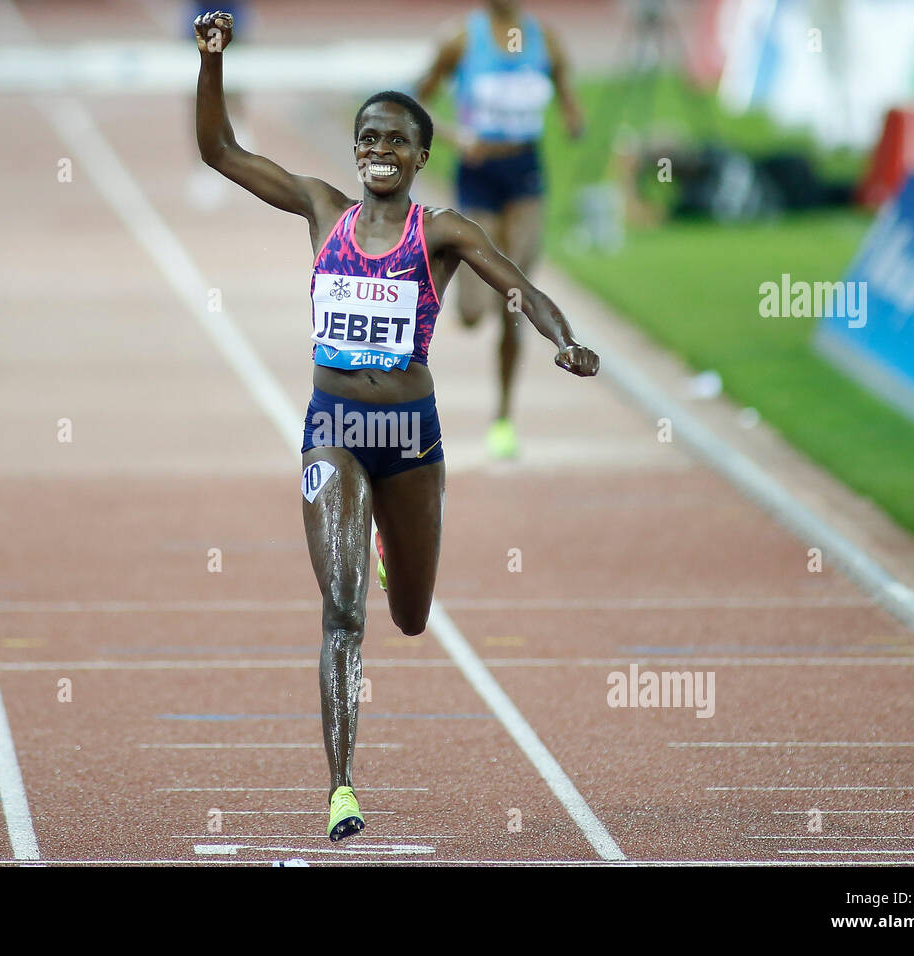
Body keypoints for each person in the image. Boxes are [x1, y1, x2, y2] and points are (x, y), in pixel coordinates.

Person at [193, 10, 598, 841]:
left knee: (410, 616)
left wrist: (566, 340)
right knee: (342, 614)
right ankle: (341, 789)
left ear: (420, 156)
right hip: (334, 430)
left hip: (411, 439)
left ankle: (390, 554)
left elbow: (515, 283)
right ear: (356, 151)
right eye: (366, 138)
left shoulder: (441, 233)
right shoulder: (321, 210)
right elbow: (221, 153)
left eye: (394, 141)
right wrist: (213, 62)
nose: (378, 150)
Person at [416, 0, 586, 458]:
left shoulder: (544, 40)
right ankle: (473, 287)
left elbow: (566, 90)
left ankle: (504, 418)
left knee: (516, 295)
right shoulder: (459, 39)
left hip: (525, 174)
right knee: (473, 313)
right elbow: (416, 103)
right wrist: (455, 137)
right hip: (479, 175)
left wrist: (574, 117)